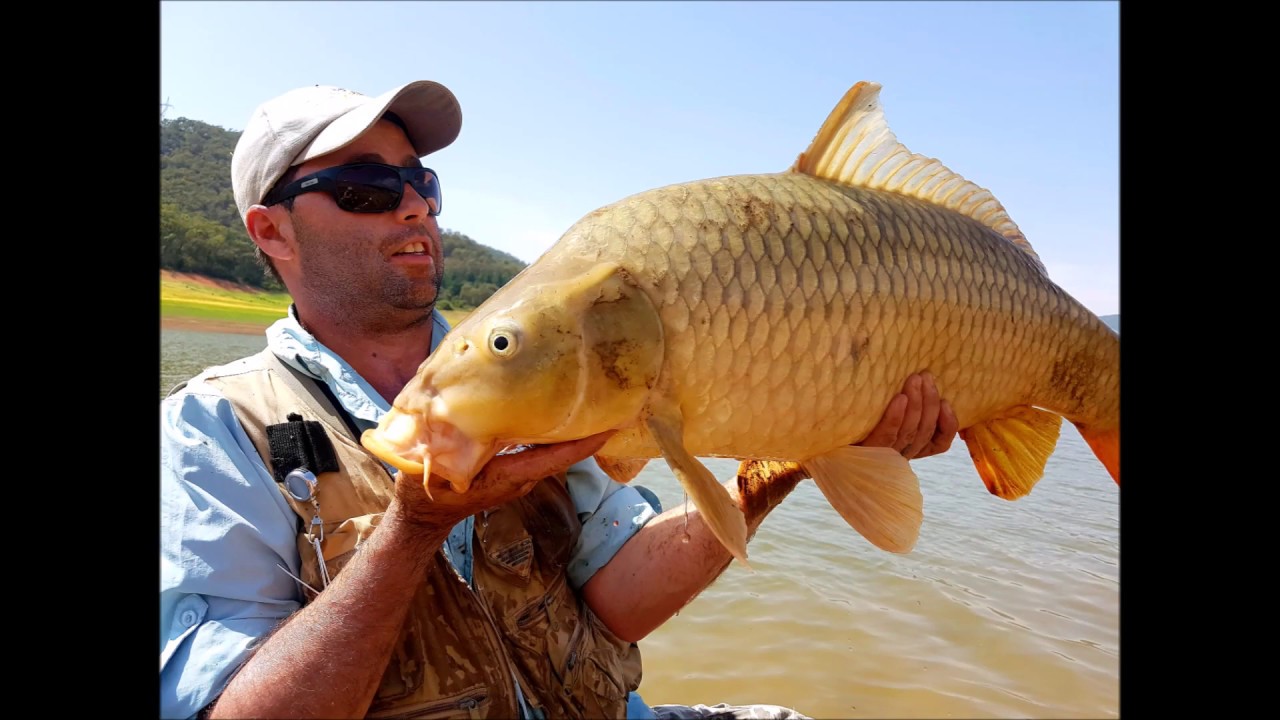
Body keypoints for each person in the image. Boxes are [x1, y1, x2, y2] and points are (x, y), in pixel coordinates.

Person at [159, 79, 960, 720]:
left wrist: (784, 463)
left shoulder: (557, 374)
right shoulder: (212, 430)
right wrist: (413, 531)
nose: (413, 206)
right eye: (366, 187)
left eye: (420, 182)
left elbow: (618, 603)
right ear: (271, 232)